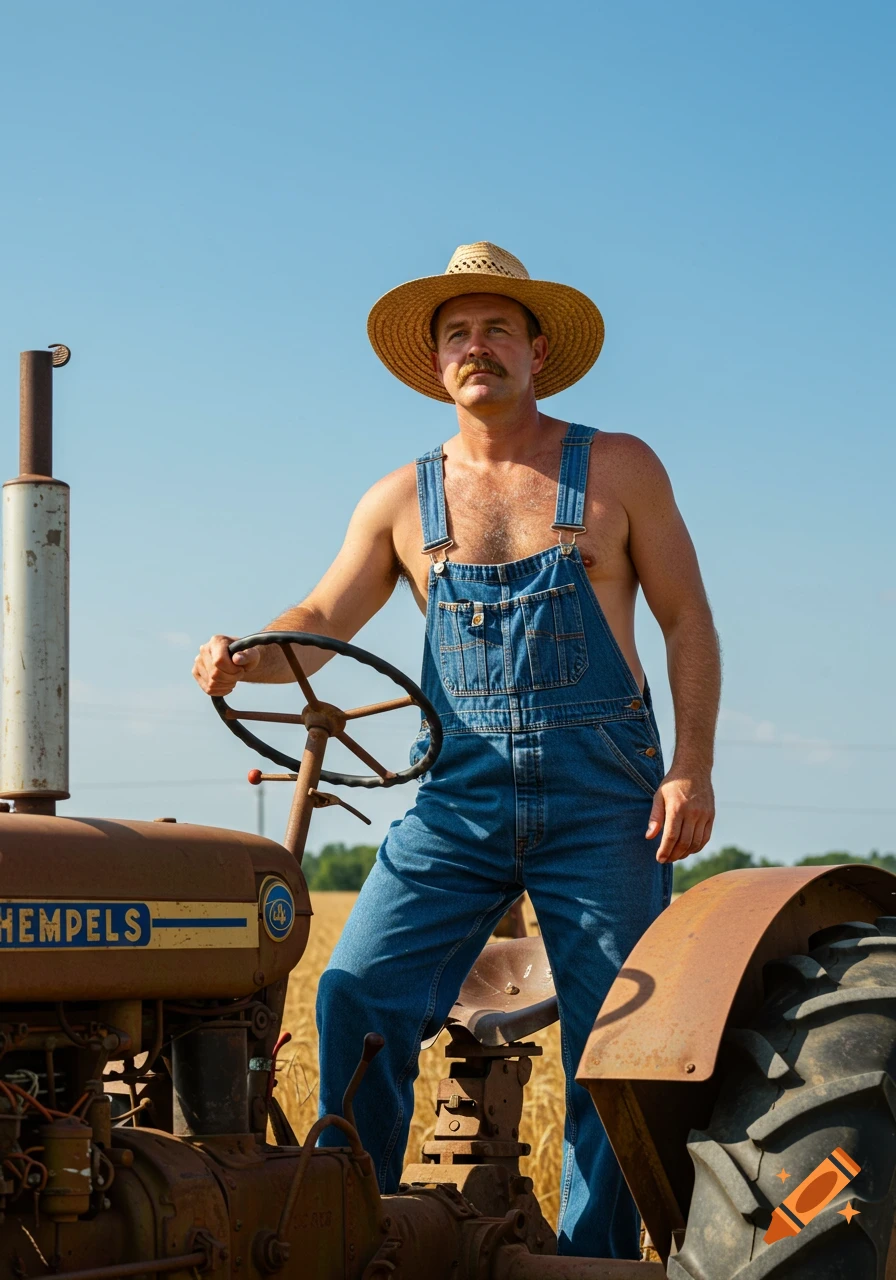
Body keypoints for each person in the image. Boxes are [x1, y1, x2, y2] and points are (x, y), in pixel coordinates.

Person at [193, 241, 720, 1258]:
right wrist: (248, 654)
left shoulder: (616, 468)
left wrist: (688, 763)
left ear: (535, 349)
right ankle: (356, 1236)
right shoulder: (401, 500)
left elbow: (686, 618)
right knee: (356, 994)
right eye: (455, 335)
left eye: (494, 328)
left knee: (612, 1049)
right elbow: (319, 615)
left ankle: (589, 1258)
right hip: (458, 806)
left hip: (601, 802)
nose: (474, 347)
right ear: (436, 366)